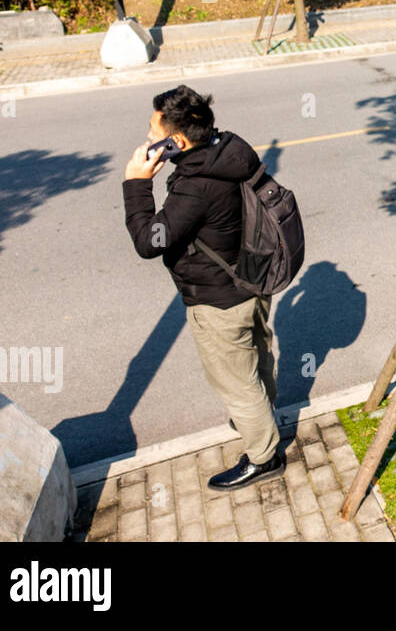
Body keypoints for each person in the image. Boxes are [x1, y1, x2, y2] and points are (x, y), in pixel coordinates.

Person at [121, 84, 285, 490]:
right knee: (258, 357)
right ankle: (259, 415)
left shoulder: (196, 186)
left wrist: (136, 184)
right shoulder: (228, 150)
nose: (147, 137)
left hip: (217, 300)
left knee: (236, 381)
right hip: (251, 280)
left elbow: (150, 241)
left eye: (152, 130)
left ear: (176, 141)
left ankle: (264, 457)